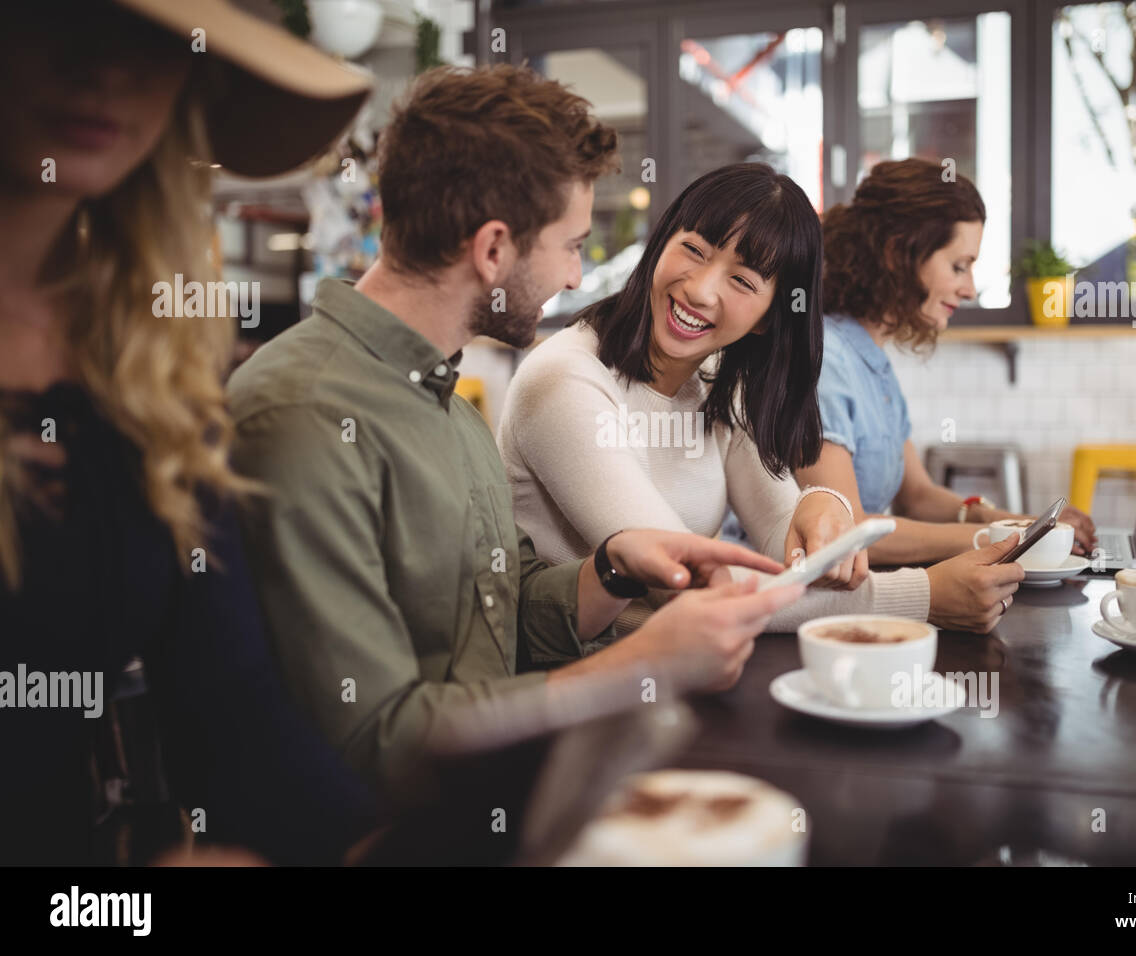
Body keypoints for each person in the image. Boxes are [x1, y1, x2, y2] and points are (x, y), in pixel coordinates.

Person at [227, 66, 804, 810]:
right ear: (495, 251)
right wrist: (639, 666)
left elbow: (505, 619)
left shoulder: (447, 406)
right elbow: (375, 741)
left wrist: (617, 568)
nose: (574, 277)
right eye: (570, 246)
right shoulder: (304, 418)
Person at [0, 0, 379, 864]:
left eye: (152, 37)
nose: (107, 66)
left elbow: (235, 708)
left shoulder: (148, 372)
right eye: (60, 11)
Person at [498, 163, 1025, 637]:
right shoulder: (566, 380)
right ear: (661, 240)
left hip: (683, 671)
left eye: (743, 280)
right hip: (581, 683)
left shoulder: (715, 377)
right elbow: (692, 587)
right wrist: (923, 596)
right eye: (694, 250)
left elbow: (781, 536)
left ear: (771, 316)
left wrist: (826, 504)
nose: (701, 290)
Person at [796, 158, 1097, 565]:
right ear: (896, 253)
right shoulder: (825, 360)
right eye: (959, 266)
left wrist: (1020, 524)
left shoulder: (872, 360)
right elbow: (847, 531)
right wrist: (995, 540)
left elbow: (917, 495)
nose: (970, 289)